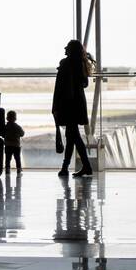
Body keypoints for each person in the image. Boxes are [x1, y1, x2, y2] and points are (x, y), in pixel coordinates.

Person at [52, 39, 94, 177]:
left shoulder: (66, 64)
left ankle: (86, 166)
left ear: (71, 50)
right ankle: (65, 168)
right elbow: (84, 84)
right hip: (78, 104)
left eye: (67, 48)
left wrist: (56, 106)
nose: (65, 50)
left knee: (74, 136)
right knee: (71, 137)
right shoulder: (81, 64)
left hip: (68, 105)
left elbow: (59, 87)